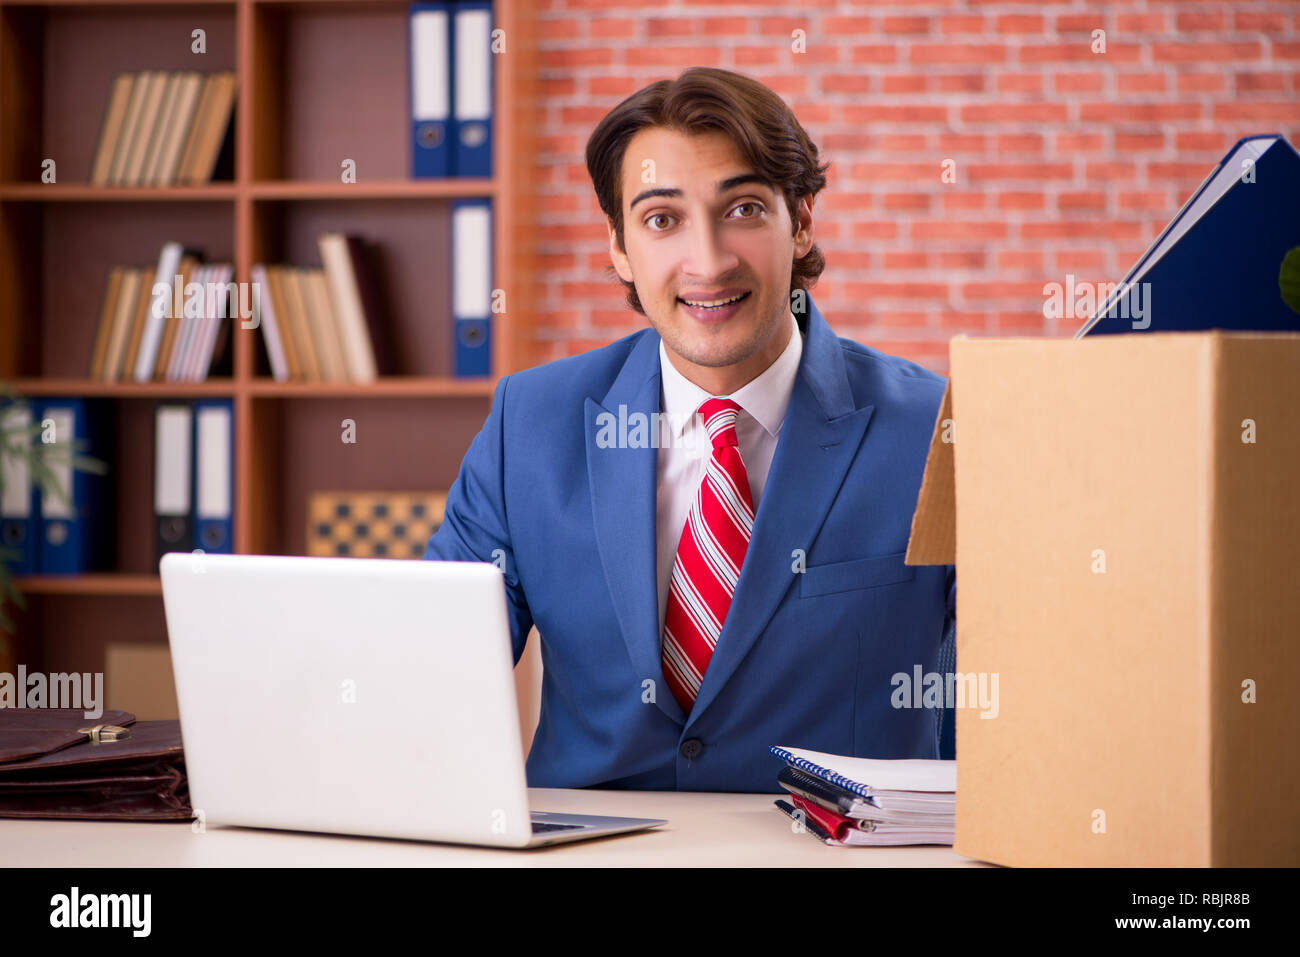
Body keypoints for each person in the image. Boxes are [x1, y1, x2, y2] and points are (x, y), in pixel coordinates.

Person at [425, 67, 955, 793]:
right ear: (619, 247)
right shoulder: (531, 424)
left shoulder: (935, 431)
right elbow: (430, 675)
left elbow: (1014, 708)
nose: (707, 262)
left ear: (800, 222)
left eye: (741, 209)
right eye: (661, 219)